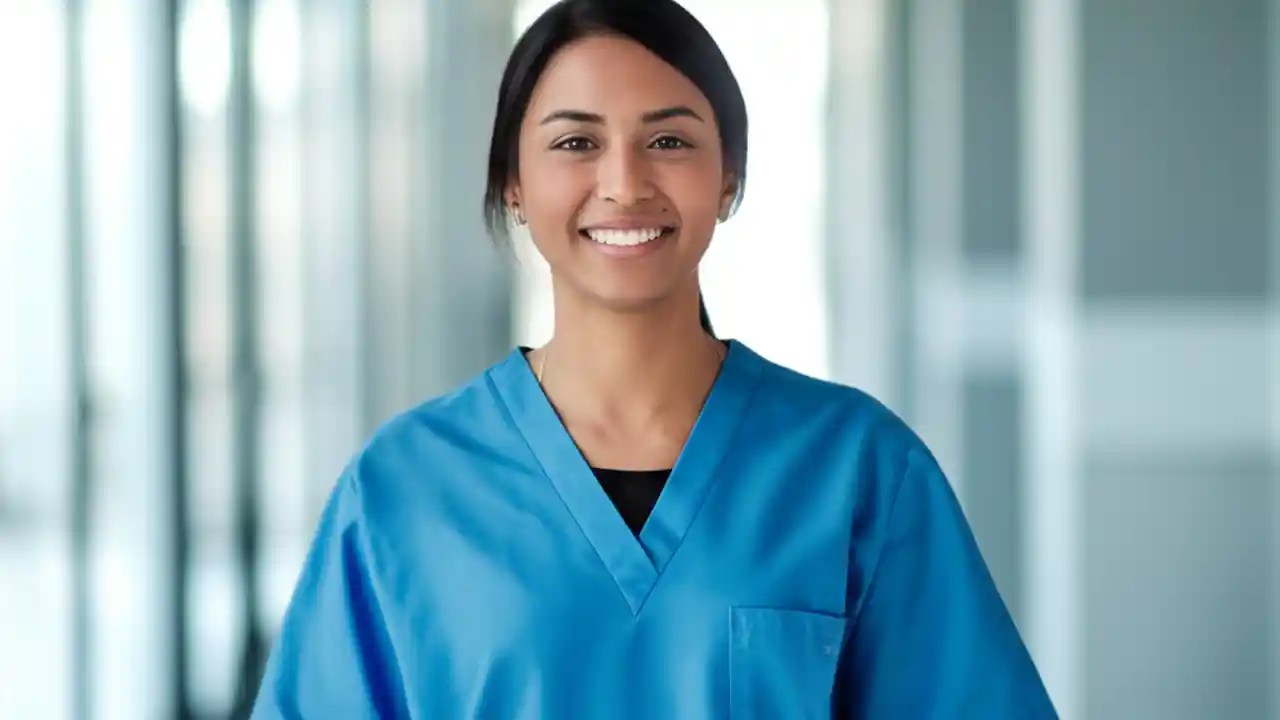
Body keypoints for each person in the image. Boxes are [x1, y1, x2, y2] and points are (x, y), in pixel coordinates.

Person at [251, 0, 1057, 717]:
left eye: (669, 139)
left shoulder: (858, 469)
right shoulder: (405, 485)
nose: (625, 183)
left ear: (729, 177)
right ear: (512, 184)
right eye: (576, 142)